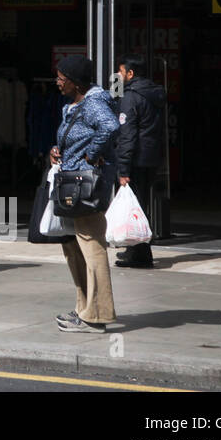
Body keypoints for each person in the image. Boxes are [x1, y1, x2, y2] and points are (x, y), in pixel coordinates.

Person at [51, 54, 119, 334]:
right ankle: (84, 308)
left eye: (61, 78)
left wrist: (92, 155)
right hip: (71, 184)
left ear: (75, 82)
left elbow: (111, 126)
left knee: (92, 248)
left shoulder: (94, 103)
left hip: (85, 186)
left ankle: (97, 315)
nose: (57, 82)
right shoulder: (75, 105)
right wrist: (58, 151)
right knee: (74, 248)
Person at [114, 54, 166, 269]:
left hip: (136, 159)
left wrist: (123, 168)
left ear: (131, 73)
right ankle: (134, 250)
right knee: (140, 205)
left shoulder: (131, 97)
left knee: (136, 207)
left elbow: (127, 135)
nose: (118, 75)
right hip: (151, 157)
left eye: (121, 71)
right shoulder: (154, 94)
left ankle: (141, 254)